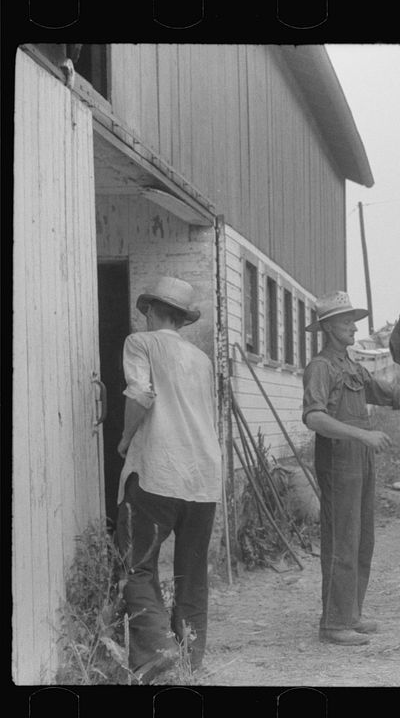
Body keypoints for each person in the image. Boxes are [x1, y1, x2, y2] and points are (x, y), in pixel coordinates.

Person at [302, 291, 400, 646]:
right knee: (342, 538)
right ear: (329, 328)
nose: (354, 327)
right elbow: (314, 417)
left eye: (353, 320)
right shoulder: (321, 368)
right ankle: (333, 624)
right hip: (339, 459)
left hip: (360, 457)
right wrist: (363, 434)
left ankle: (350, 614)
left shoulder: (351, 367)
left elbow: (393, 396)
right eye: (347, 321)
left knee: (362, 539)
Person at [116, 276, 222, 682]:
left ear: (152, 310)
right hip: (203, 478)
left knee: (137, 566)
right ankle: (190, 660)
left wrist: (126, 439)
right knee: (192, 573)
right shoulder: (202, 359)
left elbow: (140, 394)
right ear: (181, 319)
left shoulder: (140, 343)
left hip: (158, 473)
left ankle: (157, 651)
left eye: (145, 311)